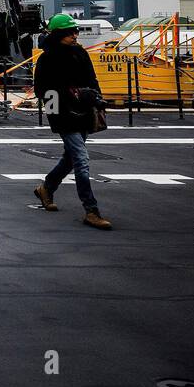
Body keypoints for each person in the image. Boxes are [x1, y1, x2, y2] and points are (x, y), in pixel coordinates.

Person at [33, 13, 112, 229]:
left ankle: (47, 188)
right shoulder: (47, 59)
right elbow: (41, 90)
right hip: (63, 114)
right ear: (59, 34)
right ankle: (91, 210)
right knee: (81, 159)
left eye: (76, 31)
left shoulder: (79, 53)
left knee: (70, 158)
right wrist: (57, 115)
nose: (76, 34)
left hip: (83, 111)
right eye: (71, 32)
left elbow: (92, 79)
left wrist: (97, 99)